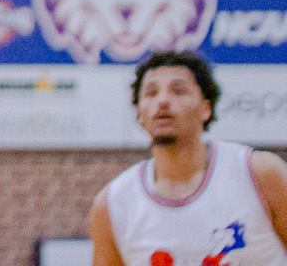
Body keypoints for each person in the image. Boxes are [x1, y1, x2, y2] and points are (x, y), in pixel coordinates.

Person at [91, 51, 287, 265]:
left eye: (178, 90)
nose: (163, 101)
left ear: (205, 108)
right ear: (139, 114)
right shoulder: (112, 204)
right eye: (151, 93)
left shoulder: (261, 174)